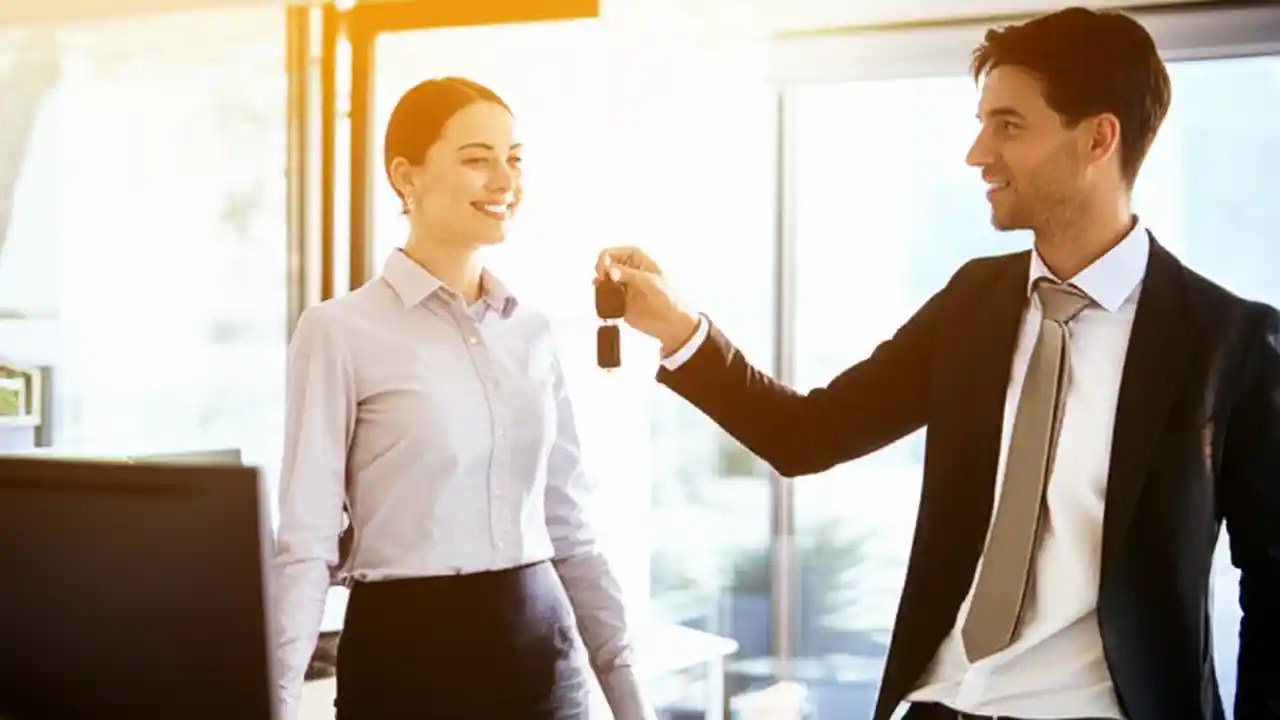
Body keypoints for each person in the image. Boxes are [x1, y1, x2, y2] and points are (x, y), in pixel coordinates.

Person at [595, 7, 1278, 720]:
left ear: (1097, 138)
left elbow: (1272, 585)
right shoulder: (972, 305)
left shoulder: (1229, 344)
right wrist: (676, 327)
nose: (977, 153)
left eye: (1008, 126)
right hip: (940, 705)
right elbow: (806, 435)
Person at [272, 76, 653, 720]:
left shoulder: (532, 332)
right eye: (478, 159)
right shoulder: (337, 332)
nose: (504, 180)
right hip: (408, 666)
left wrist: (631, 700)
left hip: (543, 662)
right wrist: (276, 702)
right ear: (406, 176)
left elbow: (571, 529)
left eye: (514, 159)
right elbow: (306, 544)